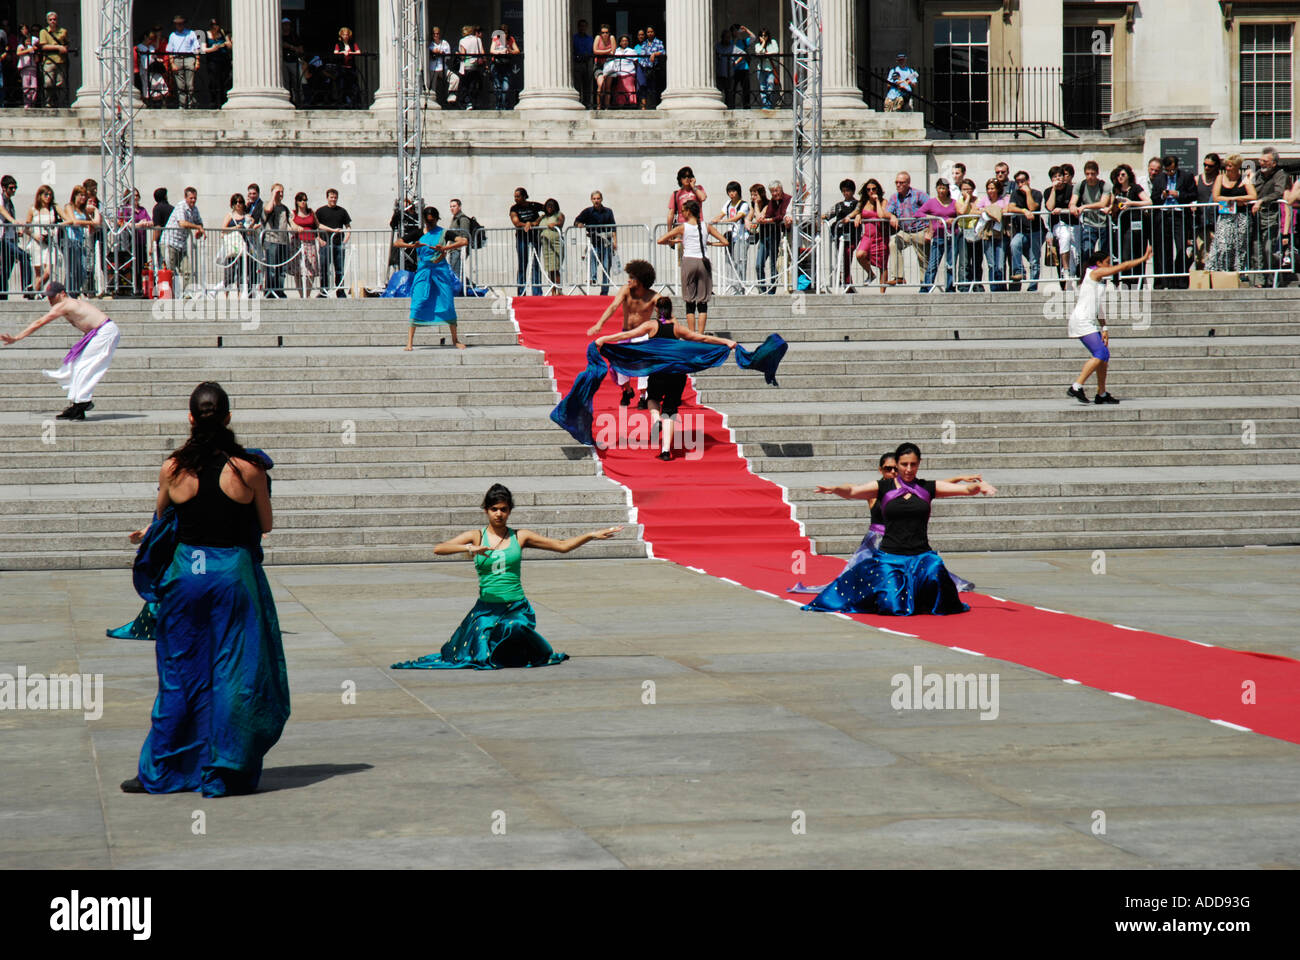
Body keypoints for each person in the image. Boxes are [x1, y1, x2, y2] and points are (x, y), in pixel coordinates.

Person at [120, 381, 287, 797]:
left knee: (179, 673)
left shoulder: (173, 468)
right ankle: (225, 768)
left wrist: (147, 531)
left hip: (185, 577)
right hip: (231, 574)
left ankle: (163, 768)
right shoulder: (248, 469)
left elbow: (162, 520)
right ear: (229, 418)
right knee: (236, 672)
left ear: (190, 418)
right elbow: (265, 525)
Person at [391, 484, 622, 670]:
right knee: (479, 655)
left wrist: (591, 535)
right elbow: (439, 548)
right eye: (494, 509)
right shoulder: (475, 535)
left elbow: (561, 546)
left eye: (503, 509)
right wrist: (469, 549)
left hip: (516, 607)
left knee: (513, 628)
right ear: (486, 511)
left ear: (509, 510)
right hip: (486, 609)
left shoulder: (520, 536)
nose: (499, 514)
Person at [801, 443, 996, 616]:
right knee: (894, 607)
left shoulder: (927, 487)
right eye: (904, 464)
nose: (909, 469)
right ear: (898, 464)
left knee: (937, 573)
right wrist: (836, 489)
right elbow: (852, 491)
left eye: (913, 464)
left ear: (919, 464)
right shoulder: (882, 487)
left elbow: (965, 489)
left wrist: (982, 486)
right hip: (890, 556)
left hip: (921, 556)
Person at [596, 297, 738, 461]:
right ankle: (665, 451)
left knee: (652, 399)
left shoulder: (651, 326)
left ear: (656, 310)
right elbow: (702, 339)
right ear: (671, 310)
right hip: (677, 374)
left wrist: (603, 339)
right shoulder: (678, 328)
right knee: (671, 410)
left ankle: (657, 419)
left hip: (658, 372)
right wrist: (726, 341)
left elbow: (628, 334)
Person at [1, 281, 121, 420]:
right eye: (48, 296)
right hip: (98, 333)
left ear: (62, 294)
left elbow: (40, 322)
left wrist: (17, 337)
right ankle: (78, 405)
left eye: (52, 296)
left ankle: (83, 402)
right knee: (75, 365)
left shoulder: (65, 304)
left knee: (83, 366)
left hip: (105, 332)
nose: (50, 299)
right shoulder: (68, 304)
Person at [1066, 245, 1153, 406]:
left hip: (1090, 321)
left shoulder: (1097, 278)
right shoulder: (1095, 272)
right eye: (1107, 262)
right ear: (1099, 263)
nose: (1109, 265)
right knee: (1100, 353)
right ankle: (1076, 386)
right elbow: (1123, 267)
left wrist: (1104, 327)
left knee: (1104, 357)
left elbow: (1098, 305)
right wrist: (1143, 259)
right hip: (1082, 321)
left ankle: (1102, 393)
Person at [586, 258, 659, 407]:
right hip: (625, 333)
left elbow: (665, 316)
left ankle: (643, 397)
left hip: (643, 336)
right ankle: (627, 390)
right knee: (619, 365)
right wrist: (599, 324)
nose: (628, 280)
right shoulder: (625, 290)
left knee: (643, 367)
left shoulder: (654, 296)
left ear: (641, 279)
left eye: (632, 277)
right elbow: (613, 306)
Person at [393, 205, 467, 350]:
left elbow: (464, 241)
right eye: (428, 222)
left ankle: (455, 339)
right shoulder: (419, 233)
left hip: (440, 271)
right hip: (424, 271)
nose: (430, 224)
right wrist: (412, 245)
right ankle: (409, 343)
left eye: (432, 222)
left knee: (447, 303)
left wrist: (445, 248)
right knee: (418, 301)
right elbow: (397, 243)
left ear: (437, 220)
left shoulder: (444, 233)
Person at [658, 198, 728, 334]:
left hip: (689, 261)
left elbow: (661, 240)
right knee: (702, 302)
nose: (682, 213)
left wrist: (676, 240)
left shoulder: (682, 227)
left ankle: (691, 334)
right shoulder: (706, 226)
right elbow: (725, 241)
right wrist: (710, 244)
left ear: (689, 212)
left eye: (683, 211)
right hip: (703, 261)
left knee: (689, 302)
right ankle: (700, 334)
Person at [1149, 155, 1197, 288]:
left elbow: (1193, 194)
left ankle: (1181, 281)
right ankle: (1165, 282)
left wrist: (1179, 195)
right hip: (1164, 215)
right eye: (1167, 171)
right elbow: (1153, 198)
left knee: (1181, 248)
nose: (1170, 173)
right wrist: (1162, 196)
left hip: (1179, 215)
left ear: (1176, 167)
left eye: (1172, 171)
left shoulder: (1186, 177)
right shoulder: (1159, 179)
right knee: (1164, 250)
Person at [1207, 154, 1256, 275]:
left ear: (1237, 167)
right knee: (1223, 245)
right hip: (1225, 216)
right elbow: (1216, 197)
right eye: (1227, 165)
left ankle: (1238, 272)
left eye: (1230, 166)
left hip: (1242, 217)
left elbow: (1253, 196)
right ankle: (1221, 272)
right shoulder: (1220, 178)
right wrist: (1233, 200)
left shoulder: (1245, 178)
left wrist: (1238, 198)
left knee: (1240, 246)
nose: (1228, 168)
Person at [1249, 147, 1289, 286]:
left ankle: (1273, 280)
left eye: (1265, 161)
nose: (1262, 163)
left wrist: (1262, 200)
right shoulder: (1257, 174)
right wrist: (1247, 179)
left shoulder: (1280, 174)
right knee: (1256, 249)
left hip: (1271, 215)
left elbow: (1279, 192)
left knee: (1269, 248)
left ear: (1273, 163)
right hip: (1255, 216)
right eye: (1260, 160)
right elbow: (1247, 189)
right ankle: (1258, 280)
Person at [1109, 164, 1150, 287]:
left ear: (1128, 176)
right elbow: (1112, 204)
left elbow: (1148, 201)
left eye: (1123, 175)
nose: (1120, 177)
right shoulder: (1116, 189)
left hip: (1135, 225)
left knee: (1134, 253)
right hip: (1121, 225)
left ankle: (1136, 281)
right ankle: (1126, 281)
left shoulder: (1135, 188)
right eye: (1118, 175)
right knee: (1123, 254)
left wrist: (1131, 203)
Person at [886, 172, 930, 285]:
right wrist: (892, 216)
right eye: (896, 182)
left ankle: (925, 285)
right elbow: (887, 212)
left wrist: (930, 231)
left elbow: (931, 208)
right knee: (893, 243)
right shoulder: (894, 197)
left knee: (923, 260)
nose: (898, 185)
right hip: (905, 231)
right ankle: (898, 277)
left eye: (901, 182)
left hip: (920, 229)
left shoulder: (919, 194)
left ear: (908, 183)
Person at [1070, 161, 1113, 273]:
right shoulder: (1080, 185)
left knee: (1104, 255)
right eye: (1087, 174)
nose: (1090, 177)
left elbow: (1103, 203)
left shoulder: (1104, 185)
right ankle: (1087, 277)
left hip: (1104, 223)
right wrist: (1073, 206)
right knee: (1087, 251)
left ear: (1097, 173)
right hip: (1089, 224)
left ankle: (1102, 279)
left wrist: (1084, 206)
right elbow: (1073, 201)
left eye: (1092, 173)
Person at [918, 178, 958, 293]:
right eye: (939, 188)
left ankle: (950, 287)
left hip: (952, 236)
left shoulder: (954, 202)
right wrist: (931, 218)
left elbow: (960, 216)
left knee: (951, 264)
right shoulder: (931, 202)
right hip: (938, 237)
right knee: (933, 264)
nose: (941, 190)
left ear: (947, 189)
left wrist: (952, 220)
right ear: (936, 189)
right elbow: (918, 213)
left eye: (944, 188)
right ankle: (926, 288)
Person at [162, 187, 204, 296]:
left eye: (195, 198)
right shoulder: (181, 206)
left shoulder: (195, 209)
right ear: (185, 197)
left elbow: (199, 222)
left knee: (187, 271)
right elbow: (182, 223)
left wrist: (200, 230)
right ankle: (171, 295)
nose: (193, 201)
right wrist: (197, 227)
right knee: (170, 271)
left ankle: (187, 294)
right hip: (170, 242)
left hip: (182, 245)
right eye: (191, 198)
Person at [1006, 170, 1044, 291]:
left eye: (1022, 181)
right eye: (1018, 182)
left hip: (1036, 230)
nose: (1020, 184)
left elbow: (1033, 207)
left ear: (1028, 181)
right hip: (1021, 231)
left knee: (1034, 260)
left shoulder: (1037, 193)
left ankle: (1032, 287)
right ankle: (1019, 270)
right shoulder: (1015, 194)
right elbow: (1010, 207)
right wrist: (1024, 211)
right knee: (1014, 244)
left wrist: (1028, 193)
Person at [574, 191, 617, 295]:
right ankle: (593, 278)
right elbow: (576, 221)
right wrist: (579, 224)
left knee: (606, 267)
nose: (596, 200)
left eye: (598, 198)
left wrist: (615, 241)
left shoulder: (608, 211)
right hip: (594, 243)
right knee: (592, 260)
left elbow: (613, 227)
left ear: (601, 199)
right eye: (594, 199)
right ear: (591, 200)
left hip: (606, 243)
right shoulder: (587, 212)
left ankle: (604, 292)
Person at [713, 180, 752, 294]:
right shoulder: (728, 203)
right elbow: (721, 214)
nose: (731, 194)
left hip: (741, 237)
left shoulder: (743, 204)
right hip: (731, 238)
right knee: (731, 263)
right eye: (729, 191)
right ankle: (734, 288)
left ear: (738, 191)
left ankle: (741, 289)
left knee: (741, 263)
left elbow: (737, 217)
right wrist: (715, 220)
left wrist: (724, 221)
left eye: (733, 191)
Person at [853, 179, 891, 290]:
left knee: (882, 265)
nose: (871, 191)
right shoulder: (863, 202)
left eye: (873, 189)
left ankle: (882, 292)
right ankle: (870, 273)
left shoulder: (883, 201)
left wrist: (877, 201)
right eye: (868, 189)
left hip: (881, 236)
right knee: (860, 255)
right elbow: (856, 212)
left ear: (877, 190)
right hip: (867, 236)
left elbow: (880, 214)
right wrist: (857, 215)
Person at [1044, 164, 1078, 286]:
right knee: (1065, 237)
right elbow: (1049, 207)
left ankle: (1073, 278)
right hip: (1058, 225)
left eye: (1060, 176)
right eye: (1054, 177)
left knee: (1075, 253)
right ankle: (1066, 270)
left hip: (1074, 224)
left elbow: (1074, 205)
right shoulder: (1048, 191)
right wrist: (1053, 189)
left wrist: (1062, 210)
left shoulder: (1072, 189)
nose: (1058, 179)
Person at [822, 178, 859, 291]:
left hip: (853, 235)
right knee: (842, 257)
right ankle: (847, 282)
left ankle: (847, 282)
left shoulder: (858, 204)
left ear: (852, 191)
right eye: (843, 190)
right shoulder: (838, 205)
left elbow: (859, 212)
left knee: (847, 255)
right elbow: (828, 214)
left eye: (847, 190)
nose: (845, 193)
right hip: (840, 236)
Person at [1, 175, 34, 298]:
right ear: (3, 188)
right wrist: (13, 221)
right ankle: (26, 286)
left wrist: (16, 232)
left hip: (10, 238)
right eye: (11, 188)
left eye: (15, 188)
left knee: (5, 271)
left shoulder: (10, 202)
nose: (14, 190)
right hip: (3, 239)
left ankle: (2, 296)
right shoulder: (1, 199)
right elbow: (1, 210)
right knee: (24, 256)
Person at [757, 179, 792, 293]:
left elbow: (781, 215)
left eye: (776, 191)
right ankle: (762, 290)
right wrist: (765, 218)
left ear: (781, 189)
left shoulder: (787, 199)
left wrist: (769, 219)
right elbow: (769, 214)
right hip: (765, 234)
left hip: (776, 234)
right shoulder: (772, 201)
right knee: (759, 264)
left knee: (773, 264)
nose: (774, 194)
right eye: (772, 191)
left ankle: (772, 291)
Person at [975, 177, 1010, 291]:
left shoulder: (1003, 200)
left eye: (992, 188)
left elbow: (1005, 210)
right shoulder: (984, 200)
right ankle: (994, 289)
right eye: (988, 188)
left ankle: (1001, 288)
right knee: (991, 264)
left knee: (1000, 264)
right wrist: (989, 211)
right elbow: (975, 210)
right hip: (987, 234)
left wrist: (988, 210)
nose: (990, 191)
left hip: (1000, 234)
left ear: (998, 189)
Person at [315, 188, 351, 298]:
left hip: (338, 244)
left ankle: (340, 291)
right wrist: (319, 239)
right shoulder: (320, 211)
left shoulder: (342, 211)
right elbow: (315, 227)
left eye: (335, 197)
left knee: (339, 269)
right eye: (331, 197)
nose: (333, 199)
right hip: (325, 244)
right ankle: (323, 291)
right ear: (327, 198)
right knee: (324, 268)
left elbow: (348, 227)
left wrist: (345, 240)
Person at [510, 186, 545, 296]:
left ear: (524, 196)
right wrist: (528, 224)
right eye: (515, 196)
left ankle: (537, 292)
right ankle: (522, 292)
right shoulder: (514, 208)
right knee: (522, 265)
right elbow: (516, 222)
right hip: (522, 238)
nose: (516, 198)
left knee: (536, 264)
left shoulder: (533, 205)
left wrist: (537, 221)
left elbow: (549, 209)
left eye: (518, 196)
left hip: (534, 237)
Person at [23, 183, 57, 292]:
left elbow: (66, 219)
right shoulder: (33, 209)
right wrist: (35, 235)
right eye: (46, 195)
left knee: (49, 270)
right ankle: (37, 294)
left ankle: (33, 290)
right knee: (38, 271)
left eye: (50, 195)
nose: (48, 197)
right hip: (37, 241)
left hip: (49, 242)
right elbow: (26, 228)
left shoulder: (53, 209)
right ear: (40, 196)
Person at [262, 184, 292, 298]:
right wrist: (273, 196)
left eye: (282, 192)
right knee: (271, 268)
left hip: (283, 241)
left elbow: (291, 222)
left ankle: (279, 290)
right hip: (271, 240)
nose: (280, 194)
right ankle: (270, 291)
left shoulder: (285, 208)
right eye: (278, 192)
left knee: (282, 269)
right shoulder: (268, 204)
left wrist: (297, 227)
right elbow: (268, 209)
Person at [166, 16, 202, 109]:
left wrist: (197, 61)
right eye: (177, 24)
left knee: (190, 84)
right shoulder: (172, 35)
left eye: (181, 23)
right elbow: (170, 50)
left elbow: (196, 47)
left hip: (189, 58)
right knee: (180, 85)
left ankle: (191, 104)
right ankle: (182, 104)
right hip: (177, 59)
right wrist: (172, 63)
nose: (179, 25)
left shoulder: (191, 33)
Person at [220, 193, 253, 292]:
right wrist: (235, 228)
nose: (238, 204)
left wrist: (251, 227)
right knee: (229, 274)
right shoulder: (229, 215)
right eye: (236, 202)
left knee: (242, 274)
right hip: (231, 247)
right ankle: (227, 296)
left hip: (243, 247)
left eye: (240, 202)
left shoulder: (246, 216)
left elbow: (249, 231)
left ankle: (240, 295)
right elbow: (223, 229)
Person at [38, 11, 68, 108]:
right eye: (50, 20)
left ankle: (60, 102)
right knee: (48, 83)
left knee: (61, 83)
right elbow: (43, 46)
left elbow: (66, 43)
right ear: (47, 21)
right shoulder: (43, 32)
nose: (52, 21)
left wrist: (64, 48)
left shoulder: (63, 31)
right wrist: (58, 47)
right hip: (49, 60)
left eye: (54, 19)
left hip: (60, 60)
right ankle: (48, 102)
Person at [445, 197, 474, 291]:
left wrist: (461, 248)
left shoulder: (463, 219)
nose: (452, 208)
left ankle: (462, 290)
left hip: (458, 250)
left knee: (456, 271)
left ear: (459, 207)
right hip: (453, 250)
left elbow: (465, 235)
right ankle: (469, 287)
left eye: (454, 206)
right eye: (450, 206)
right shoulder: (455, 219)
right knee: (454, 271)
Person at [202, 19, 232, 107]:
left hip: (223, 60)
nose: (215, 27)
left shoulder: (222, 33)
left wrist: (227, 43)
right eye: (213, 25)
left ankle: (223, 100)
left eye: (216, 25)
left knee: (224, 81)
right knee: (213, 81)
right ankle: (214, 101)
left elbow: (230, 46)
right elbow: (203, 49)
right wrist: (212, 49)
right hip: (213, 61)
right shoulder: (206, 34)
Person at [538, 197, 565, 293]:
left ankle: (558, 290)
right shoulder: (543, 217)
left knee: (555, 267)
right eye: (548, 206)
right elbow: (536, 224)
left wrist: (555, 224)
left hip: (555, 244)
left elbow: (560, 222)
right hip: (545, 245)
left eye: (552, 206)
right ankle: (553, 290)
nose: (550, 208)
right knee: (550, 268)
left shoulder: (559, 215)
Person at [753, 28, 780, 108]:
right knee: (762, 87)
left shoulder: (773, 42)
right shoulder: (758, 45)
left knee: (770, 86)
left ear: (768, 36)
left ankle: (769, 104)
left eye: (765, 35)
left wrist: (766, 53)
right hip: (761, 69)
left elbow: (776, 51)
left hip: (770, 68)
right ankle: (765, 104)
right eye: (762, 36)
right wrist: (763, 43)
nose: (763, 37)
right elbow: (758, 51)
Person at [591, 24, 615, 108]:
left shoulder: (612, 38)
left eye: (606, 32)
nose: (605, 34)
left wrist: (601, 51)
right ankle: (599, 105)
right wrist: (607, 51)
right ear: (600, 33)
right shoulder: (598, 38)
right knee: (601, 85)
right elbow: (595, 51)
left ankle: (607, 107)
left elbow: (613, 52)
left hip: (609, 65)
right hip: (599, 65)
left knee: (608, 88)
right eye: (603, 32)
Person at [17, 24, 40, 108]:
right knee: (26, 86)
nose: (28, 42)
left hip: (33, 67)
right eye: (26, 40)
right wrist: (27, 50)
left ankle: (32, 103)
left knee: (34, 86)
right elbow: (18, 53)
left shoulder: (32, 47)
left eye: (29, 40)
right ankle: (26, 104)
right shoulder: (21, 46)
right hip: (25, 67)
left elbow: (37, 59)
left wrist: (35, 51)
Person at [731, 25, 754, 109]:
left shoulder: (743, 41)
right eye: (735, 31)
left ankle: (746, 106)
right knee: (733, 88)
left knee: (745, 88)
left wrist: (746, 30)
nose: (736, 32)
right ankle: (731, 105)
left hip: (744, 68)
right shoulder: (731, 42)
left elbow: (753, 37)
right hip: (733, 69)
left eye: (737, 31)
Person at [429, 26, 451, 105]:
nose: (436, 35)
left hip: (443, 67)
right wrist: (434, 52)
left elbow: (448, 55)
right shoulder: (430, 44)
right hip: (433, 68)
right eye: (434, 34)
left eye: (437, 34)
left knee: (454, 79)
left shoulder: (444, 43)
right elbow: (430, 51)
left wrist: (441, 52)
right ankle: (433, 102)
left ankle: (451, 96)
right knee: (433, 87)